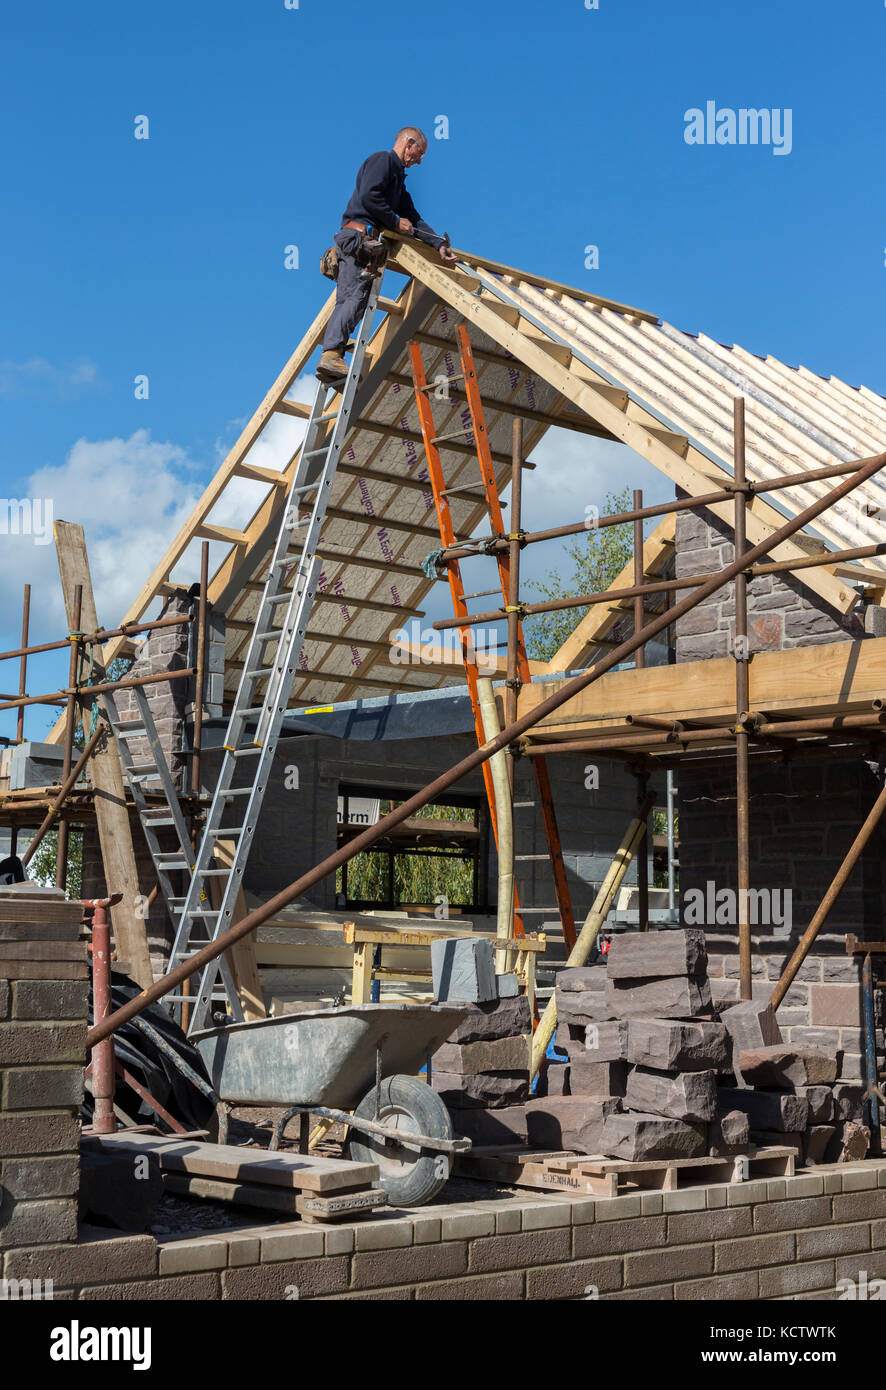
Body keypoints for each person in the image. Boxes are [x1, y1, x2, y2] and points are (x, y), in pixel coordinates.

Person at [316, 127, 457, 383]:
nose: (420, 160)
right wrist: (393, 221)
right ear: (408, 143)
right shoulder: (382, 161)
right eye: (419, 153)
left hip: (364, 240)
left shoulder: (398, 181)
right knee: (355, 296)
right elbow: (370, 196)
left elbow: (413, 219)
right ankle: (331, 356)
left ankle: (333, 359)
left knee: (354, 298)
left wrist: (437, 244)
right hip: (357, 238)